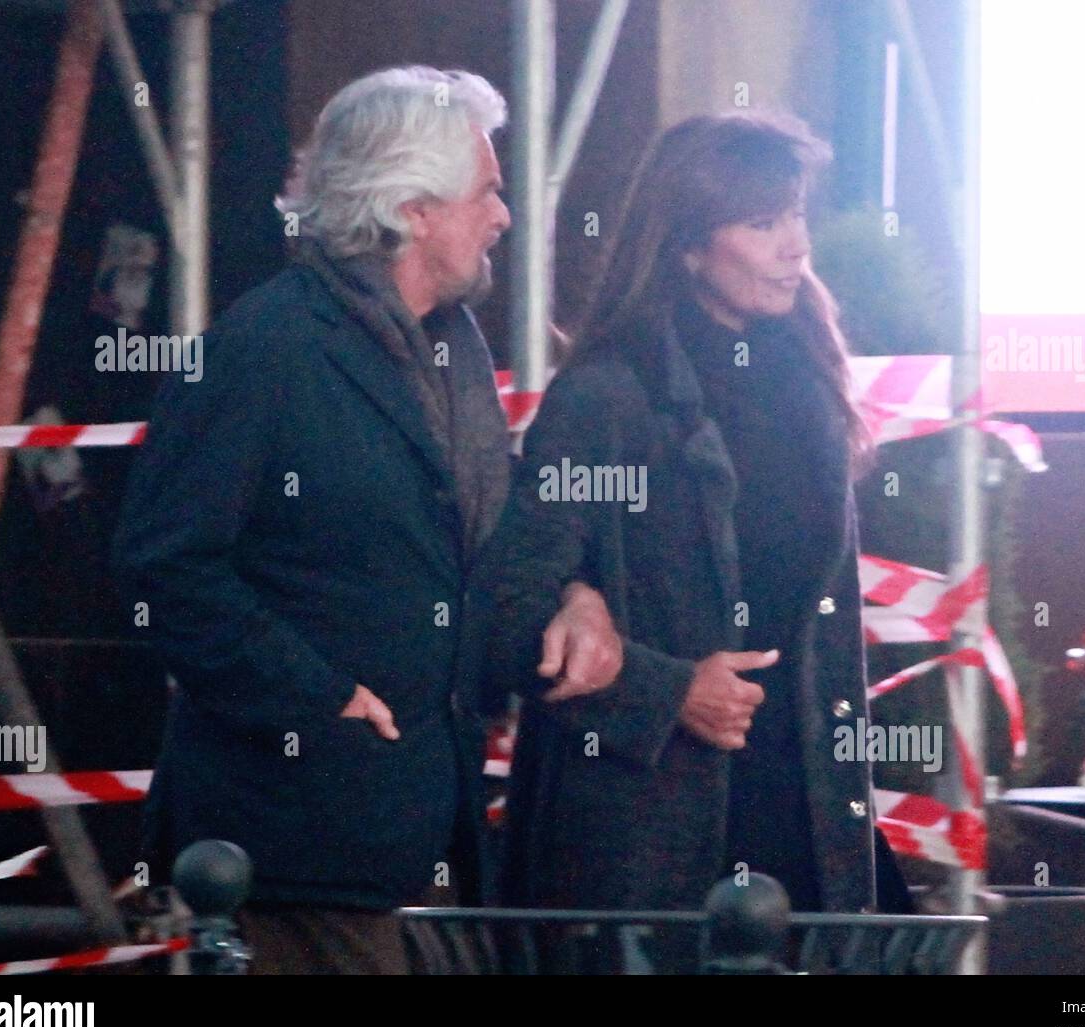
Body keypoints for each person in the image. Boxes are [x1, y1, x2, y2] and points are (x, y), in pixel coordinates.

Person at [112, 66, 615, 974]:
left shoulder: (455, 346)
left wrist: (574, 594)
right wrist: (320, 700)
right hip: (295, 840)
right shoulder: (264, 347)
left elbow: (477, 549)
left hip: (430, 835)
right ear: (413, 207)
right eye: (488, 191)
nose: (503, 215)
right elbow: (165, 565)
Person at [479, 112, 914, 933]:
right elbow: (508, 614)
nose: (795, 245)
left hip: (805, 821)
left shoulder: (807, 388)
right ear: (686, 246)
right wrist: (669, 690)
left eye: (796, 216)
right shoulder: (609, 397)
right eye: (762, 222)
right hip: (649, 850)